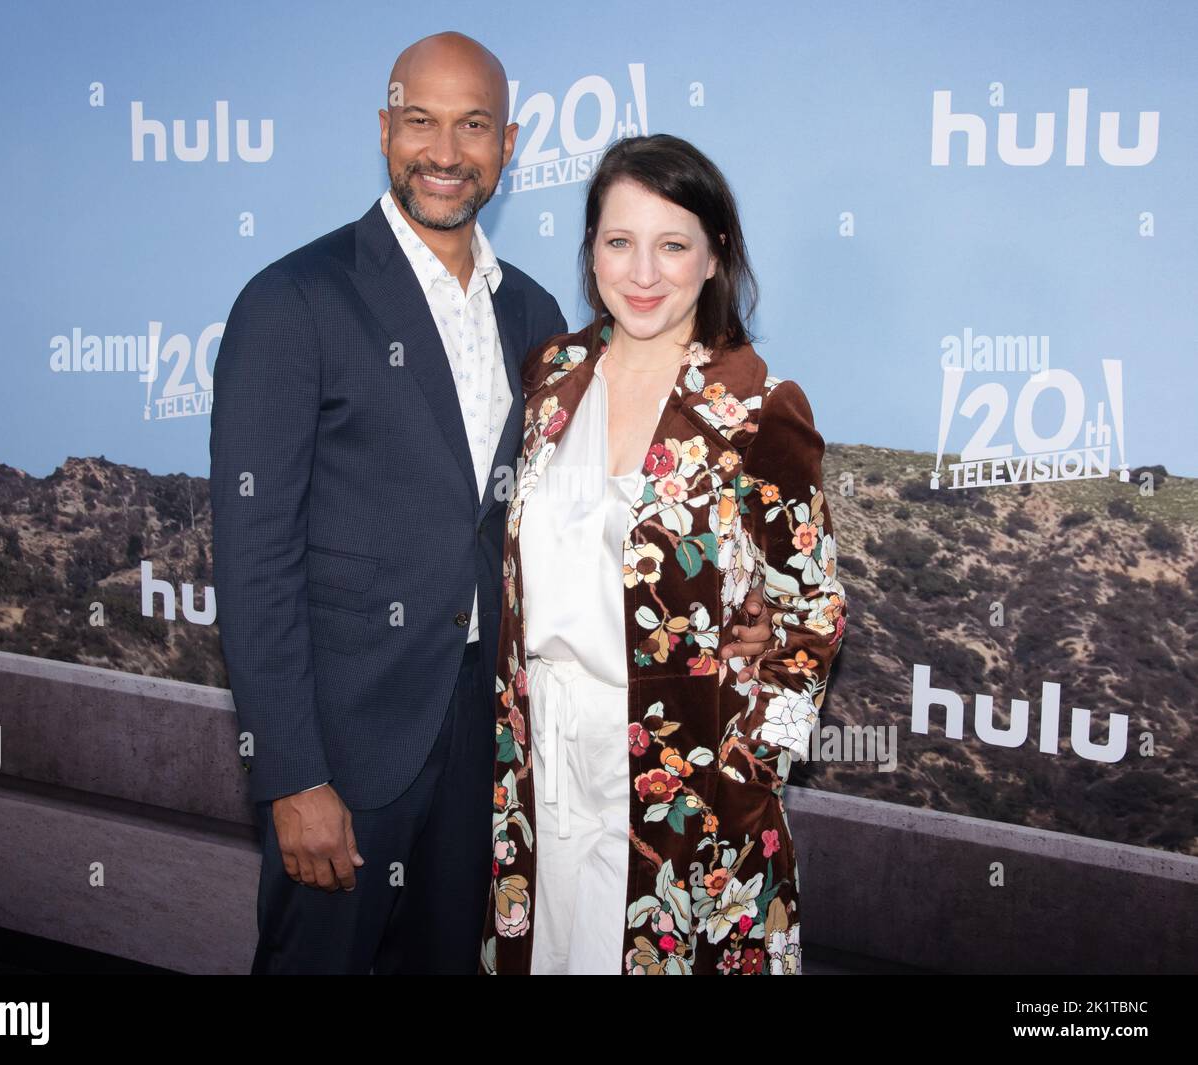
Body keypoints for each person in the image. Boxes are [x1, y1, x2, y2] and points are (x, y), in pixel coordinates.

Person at [210, 31, 789, 975]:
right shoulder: (294, 301)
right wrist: (292, 772)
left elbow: (606, 518)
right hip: (348, 753)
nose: (445, 152)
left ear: (509, 143)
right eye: (421, 122)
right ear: (384, 129)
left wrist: (743, 606)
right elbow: (252, 555)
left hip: (499, 759)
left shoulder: (537, 327)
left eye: (472, 125)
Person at [482, 134, 850, 975]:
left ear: (715, 255)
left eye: (672, 244)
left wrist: (753, 765)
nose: (643, 272)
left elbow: (814, 610)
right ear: (591, 251)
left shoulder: (758, 407)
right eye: (619, 242)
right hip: (540, 772)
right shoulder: (552, 377)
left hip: (684, 796)